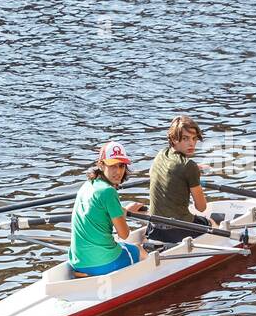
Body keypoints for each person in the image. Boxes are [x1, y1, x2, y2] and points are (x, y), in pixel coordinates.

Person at [68, 141, 148, 277]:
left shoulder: (87, 185)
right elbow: (124, 234)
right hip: (101, 262)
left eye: (121, 166)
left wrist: (125, 210)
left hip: (78, 262)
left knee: (119, 244)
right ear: (101, 164)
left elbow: (99, 209)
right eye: (112, 166)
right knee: (140, 250)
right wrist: (122, 216)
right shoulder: (109, 192)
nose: (118, 172)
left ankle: (86, 273)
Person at [146, 115, 217, 244]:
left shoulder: (161, 154)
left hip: (154, 229)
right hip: (178, 230)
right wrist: (193, 174)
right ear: (173, 139)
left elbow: (154, 173)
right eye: (185, 138)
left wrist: (193, 170)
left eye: (194, 138)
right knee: (212, 223)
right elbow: (201, 207)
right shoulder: (188, 166)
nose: (191, 143)